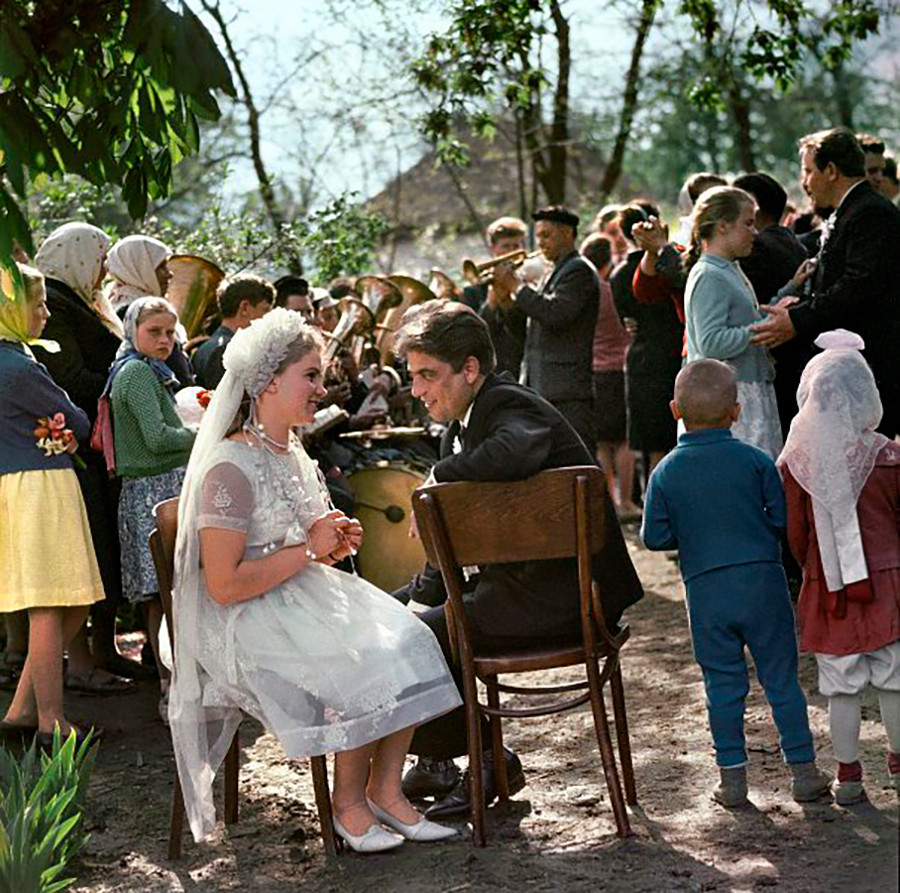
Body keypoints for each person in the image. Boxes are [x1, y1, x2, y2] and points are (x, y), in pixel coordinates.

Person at [169, 307, 461, 851]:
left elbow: (303, 543)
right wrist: (308, 549)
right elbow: (224, 586)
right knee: (361, 665)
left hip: (295, 592)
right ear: (270, 381)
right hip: (239, 617)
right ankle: (346, 807)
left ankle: (384, 790)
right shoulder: (229, 467)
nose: (322, 389)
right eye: (311, 375)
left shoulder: (289, 449)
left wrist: (331, 539)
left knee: (409, 638)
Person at [392, 300, 644, 818]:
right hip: (518, 591)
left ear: (470, 368)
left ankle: (486, 760)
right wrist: (419, 597)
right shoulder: (462, 420)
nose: (416, 391)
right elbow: (456, 532)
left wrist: (438, 476)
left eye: (426, 375)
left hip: (568, 597)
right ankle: (440, 757)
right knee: (388, 622)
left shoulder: (510, 404)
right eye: (412, 376)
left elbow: (514, 451)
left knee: (416, 637)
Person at [641, 359, 831, 807]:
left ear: (674, 410)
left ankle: (732, 780)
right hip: (762, 582)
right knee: (782, 679)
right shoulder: (757, 461)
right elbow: (782, 519)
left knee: (723, 686)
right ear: (737, 412)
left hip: (706, 592)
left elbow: (654, 537)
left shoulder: (665, 472)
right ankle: (803, 772)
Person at [779, 330, 900, 804]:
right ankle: (897, 762)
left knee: (841, 687)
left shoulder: (795, 465)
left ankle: (848, 775)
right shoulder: (888, 457)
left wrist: (811, 563)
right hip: (887, 581)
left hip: (828, 585)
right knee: (894, 679)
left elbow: (795, 535)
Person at [32, 222, 143, 686]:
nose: (103, 270)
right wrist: (128, 386)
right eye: (98, 258)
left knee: (105, 546)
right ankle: (81, 664)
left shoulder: (77, 299)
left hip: (100, 445)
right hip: (77, 447)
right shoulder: (55, 305)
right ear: (77, 256)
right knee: (88, 549)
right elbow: (70, 377)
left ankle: (104, 651)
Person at [0, 263, 105, 746]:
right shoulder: (20, 368)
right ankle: (52, 720)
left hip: (18, 485)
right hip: (40, 488)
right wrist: (68, 428)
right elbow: (78, 423)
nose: (44, 314)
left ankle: (23, 710)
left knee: (70, 601)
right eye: (37, 304)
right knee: (52, 604)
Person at [751, 127, 900, 438]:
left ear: (831, 171)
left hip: (867, 367)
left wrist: (797, 319)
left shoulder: (870, 213)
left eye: (807, 171)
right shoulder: (854, 210)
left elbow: (858, 286)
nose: (804, 182)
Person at [108, 298, 196, 719]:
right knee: (163, 595)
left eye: (169, 332)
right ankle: (171, 686)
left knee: (165, 594)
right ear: (133, 331)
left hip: (154, 488)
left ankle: (175, 683)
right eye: (154, 332)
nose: (164, 340)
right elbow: (159, 439)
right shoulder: (138, 373)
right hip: (153, 491)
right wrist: (203, 432)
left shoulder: (143, 368)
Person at [683, 186, 783, 459]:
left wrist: (787, 292)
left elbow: (746, 318)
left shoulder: (729, 268)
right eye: (748, 223)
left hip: (747, 390)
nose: (755, 231)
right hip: (732, 397)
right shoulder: (709, 275)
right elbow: (711, 342)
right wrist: (757, 331)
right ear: (723, 226)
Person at [492, 206, 598, 450]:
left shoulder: (578, 269)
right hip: (543, 385)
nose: (540, 243)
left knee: (576, 461)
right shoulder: (554, 272)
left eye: (546, 235)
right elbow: (528, 330)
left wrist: (517, 287)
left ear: (568, 234)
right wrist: (507, 303)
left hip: (566, 390)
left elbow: (555, 314)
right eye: (538, 236)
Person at [611, 205, 683, 486]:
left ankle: (651, 504)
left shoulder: (619, 275)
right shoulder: (671, 262)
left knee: (652, 446)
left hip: (643, 358)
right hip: (672, 355)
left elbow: (626, 320)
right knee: (671, 438)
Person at [580, 233, 639, 520]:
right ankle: (626, 501)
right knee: (624, 441)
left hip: (594, 370)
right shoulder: (611, 290)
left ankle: (609, 502)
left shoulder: (587, 293)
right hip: (619, 369)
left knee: (602, 442)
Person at [463, 216, 529, 379]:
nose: (511, 252)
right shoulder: (474, 291)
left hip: (522, 368)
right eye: (506, 246)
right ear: (493, 248)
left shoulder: (529, 283)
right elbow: (475, 335)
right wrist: (491, 301)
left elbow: (523, 330)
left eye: (516, 246)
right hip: (491, 371)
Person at [193, 274, 274, 388]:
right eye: (265, 310)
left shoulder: (214, 346)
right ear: (245, 307)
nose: (268, 318)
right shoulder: (222, 351)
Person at [105, 234, 172, 314]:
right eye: (161, 267)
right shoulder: (134, 313)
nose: (170, 274)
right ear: (139, 270)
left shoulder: (112, 303)